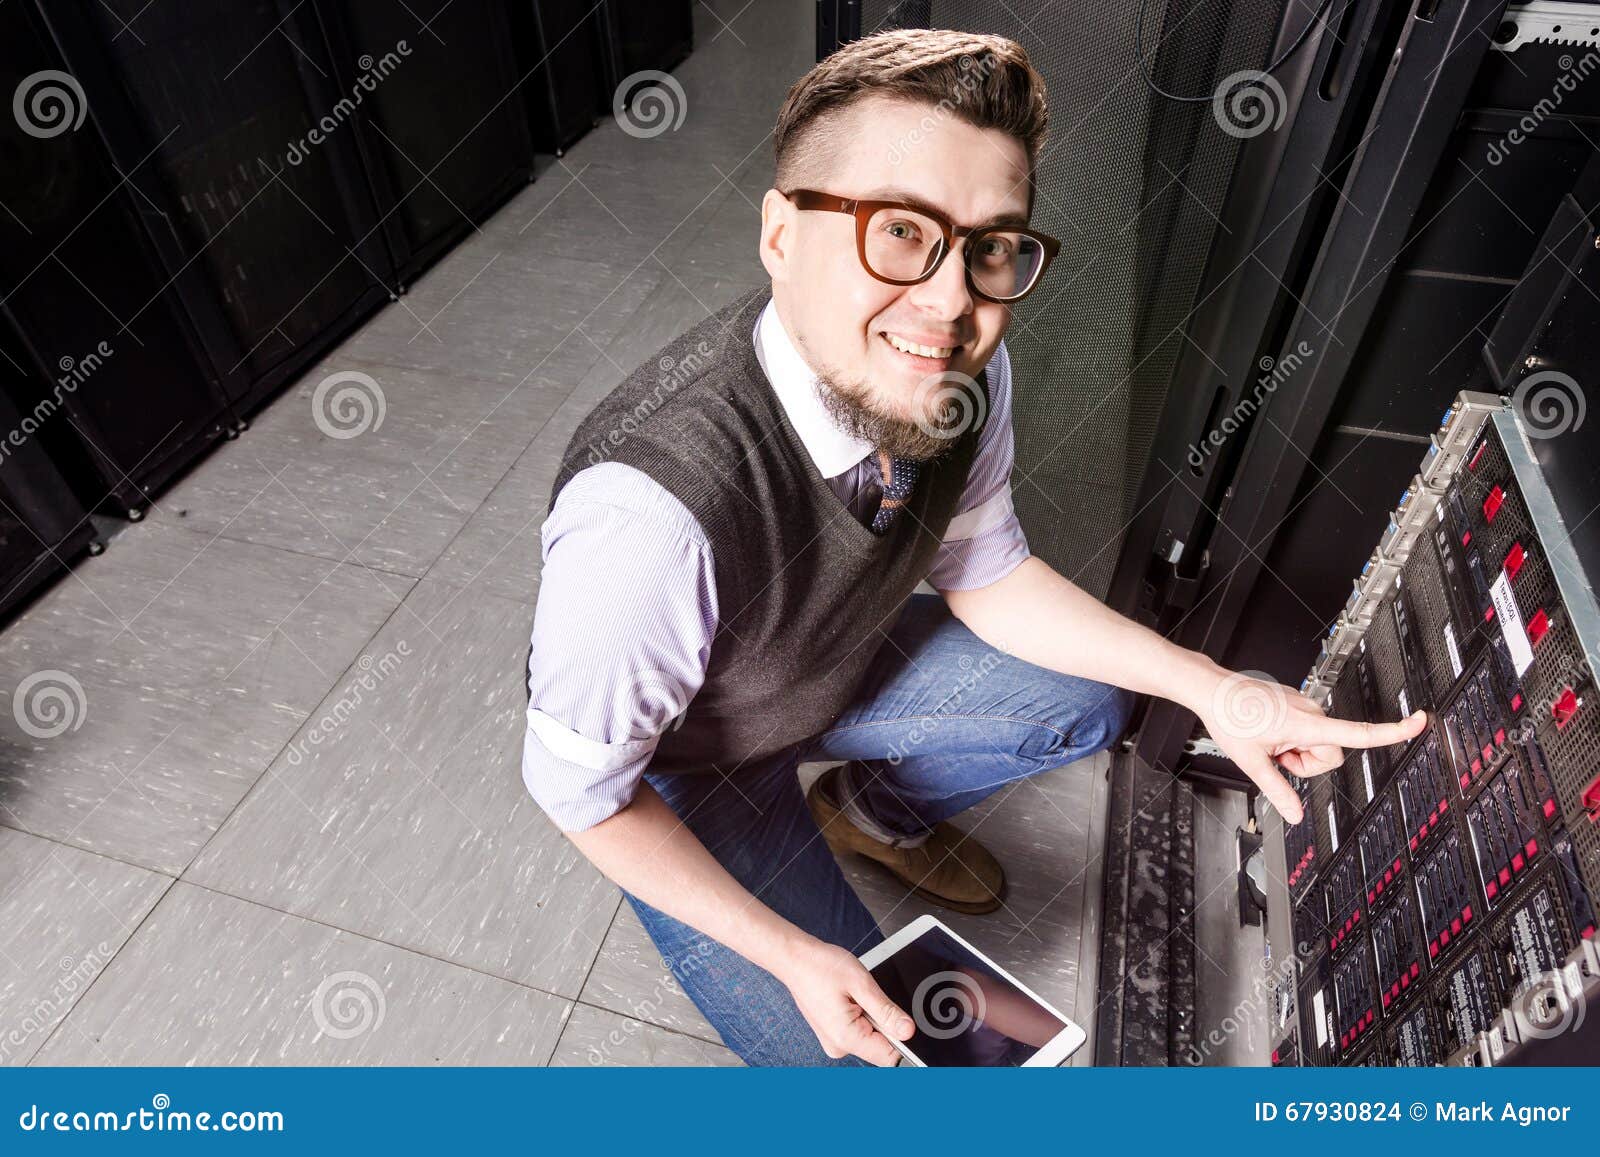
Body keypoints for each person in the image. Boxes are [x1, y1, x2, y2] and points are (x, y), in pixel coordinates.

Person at [520, 28, 1426, 1067]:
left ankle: (869, 809)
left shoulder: (956, 373)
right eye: (900, 232)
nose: (951, 301)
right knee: (872, 1069)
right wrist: (788, 951)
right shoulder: (645, 523)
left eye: (989, 245)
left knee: (1087, 699)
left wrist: (1213, 686)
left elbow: (986, 571)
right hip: (699, 761)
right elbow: (580, 792)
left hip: (829, 663)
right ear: (780, 234)